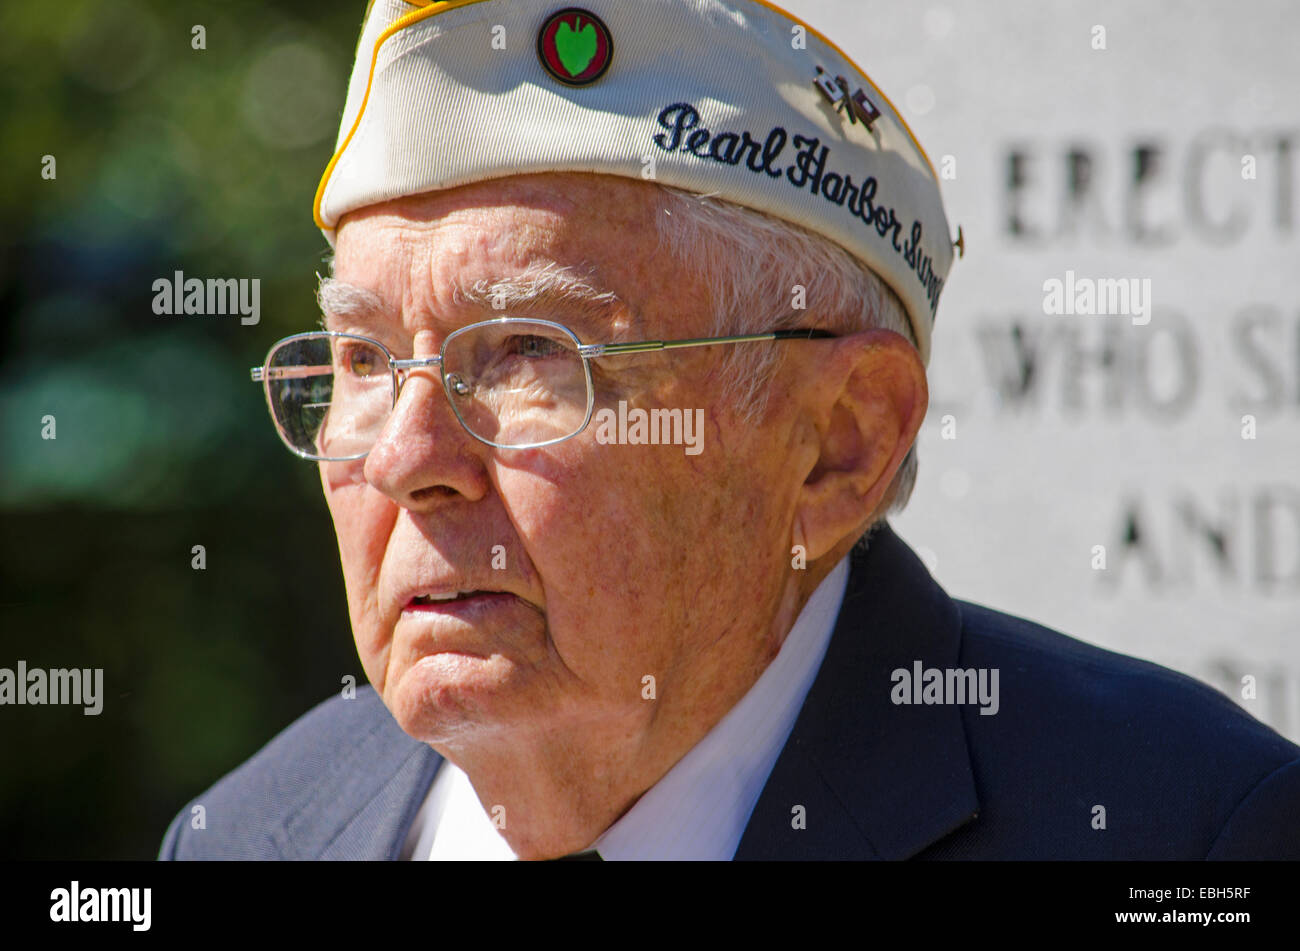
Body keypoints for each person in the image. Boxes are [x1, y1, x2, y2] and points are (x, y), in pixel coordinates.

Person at [160, 0, 1300, 860]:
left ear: (841, 442)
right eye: (365, 360)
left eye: (528, 354)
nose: (407, 458)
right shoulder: (248, 834)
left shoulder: (1189, 832)